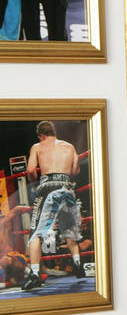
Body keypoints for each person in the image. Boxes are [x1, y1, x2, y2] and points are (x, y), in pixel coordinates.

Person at [21, 120, 83, 291]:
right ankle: (78, 264)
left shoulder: (37, 146)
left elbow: (31, 170)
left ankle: (34, 274)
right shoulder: (69, 146)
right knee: (69, 230)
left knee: (36, 232)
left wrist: (35, 181)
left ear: (41, 135)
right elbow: (76, 170)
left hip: (48, 187)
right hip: (67, 188)